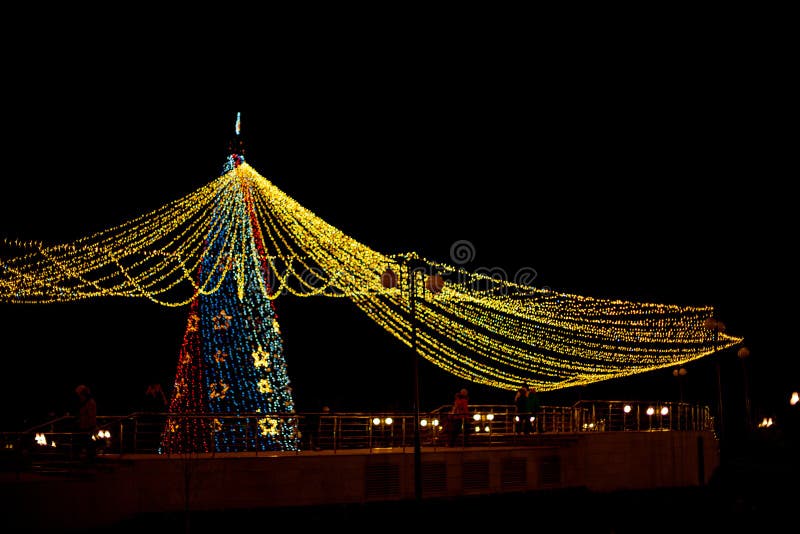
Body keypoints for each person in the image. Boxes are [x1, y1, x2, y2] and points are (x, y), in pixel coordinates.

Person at [75, 384, 97, 462]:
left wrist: (92, 426)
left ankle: (90, 458)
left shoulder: (90, 402)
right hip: (83, 426)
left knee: (88, 443)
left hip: (87, 427)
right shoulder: (84, 402)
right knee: (85, 443)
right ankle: (87, 457)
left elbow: (91, 416)